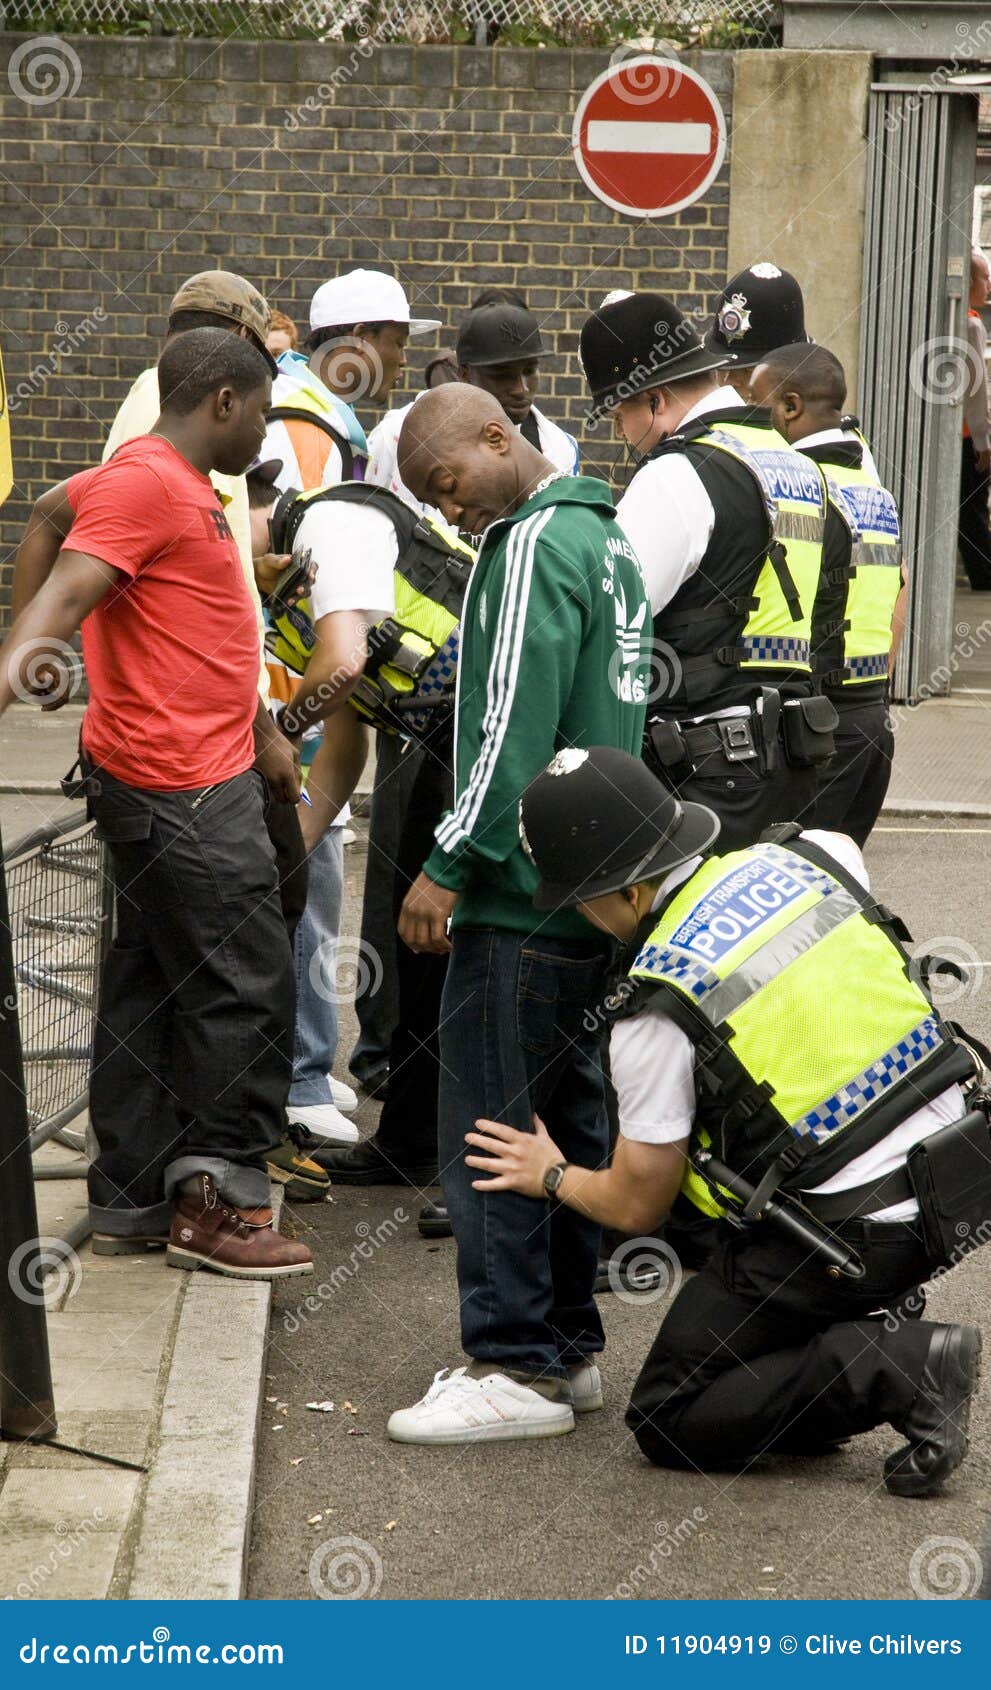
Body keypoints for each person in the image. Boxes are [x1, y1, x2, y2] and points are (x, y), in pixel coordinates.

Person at [469, 746, 984, 1496]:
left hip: (848, 1237)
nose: (580, 912)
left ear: (632, 888)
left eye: (581, 896)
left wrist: (549, 1173)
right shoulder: (808, 855)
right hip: (961, 1171)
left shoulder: (653, 1010)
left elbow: (638, 1201)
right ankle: (841, 1350)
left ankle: (889, 1365)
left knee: (671, 1414)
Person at [0, 330, 312, 1280]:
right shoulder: (150, 484)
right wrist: (25, 660)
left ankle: (132, 1196)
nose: (263, 431)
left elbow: (50, 518)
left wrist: (261, 733)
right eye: (259, 409)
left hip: (183, 775)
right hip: (181, 790)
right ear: (221, 399)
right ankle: (219, 1207)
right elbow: (62, 593)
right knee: (245, 985)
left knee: (147, 986)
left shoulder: (154, 479)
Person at [382, 384, 650, 1445]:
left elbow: (505, 723)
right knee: (568, 1118)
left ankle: (513, 1362)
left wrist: (446, 862)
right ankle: (567, 1347)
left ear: (498, 439)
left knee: (491, 1123)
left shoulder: (534, 543)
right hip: (594, 888)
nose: (453, 516)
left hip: (519, 889)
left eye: (450, 484)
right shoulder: (606, 538)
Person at [262, 269, 440, 1147]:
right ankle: (298, 1079)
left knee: (323, 889)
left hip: (365, 717)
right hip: (327, 711)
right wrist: (290, 736)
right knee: (313, 886)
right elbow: (334, 644)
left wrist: (295, 727)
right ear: (361, 338)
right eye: (400, 339)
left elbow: (341, 645)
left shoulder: (324, 428)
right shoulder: (308, 434)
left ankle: (304, 1075)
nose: (403, 358)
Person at [580, 291, 831, 852]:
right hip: (795, 755)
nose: (621, 431)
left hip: (704, 767)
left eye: (619, 413)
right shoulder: (794, 461)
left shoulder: (677, 474)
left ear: (653, 399)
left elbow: (611, 619)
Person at [750, 342, 905, 844]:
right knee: (838, 881)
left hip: (819, 729)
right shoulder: (874, 491)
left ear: (790, 407)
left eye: (758, 405)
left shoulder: (802, 488)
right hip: (871, 724)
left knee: (791, 891)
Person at [366, 290, 579, 517]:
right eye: (502, 375)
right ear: (465, 373)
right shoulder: (395, 436)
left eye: (529, 371)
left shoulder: (559, 447)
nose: (521, 389)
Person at [959, 248, 991, 591]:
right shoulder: (971, 324)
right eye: (984, 277)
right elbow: (977, 388)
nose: (989, 284)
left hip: (962, 432)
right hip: (967, 434)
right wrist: (984, 441)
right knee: (973, 509)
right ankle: (984, 574)